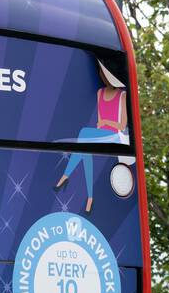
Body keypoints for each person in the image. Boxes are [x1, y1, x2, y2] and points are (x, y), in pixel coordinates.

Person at [55, 62, 129, 213]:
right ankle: (90, 198)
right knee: (86, 152)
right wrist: (101, 125)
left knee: (83, 133)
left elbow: (121, 126)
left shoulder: (122, 95)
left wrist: (106, 122)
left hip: (115, 136)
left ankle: (65, 176)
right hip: (100, 134)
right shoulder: (99, 93)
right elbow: (99, 123)